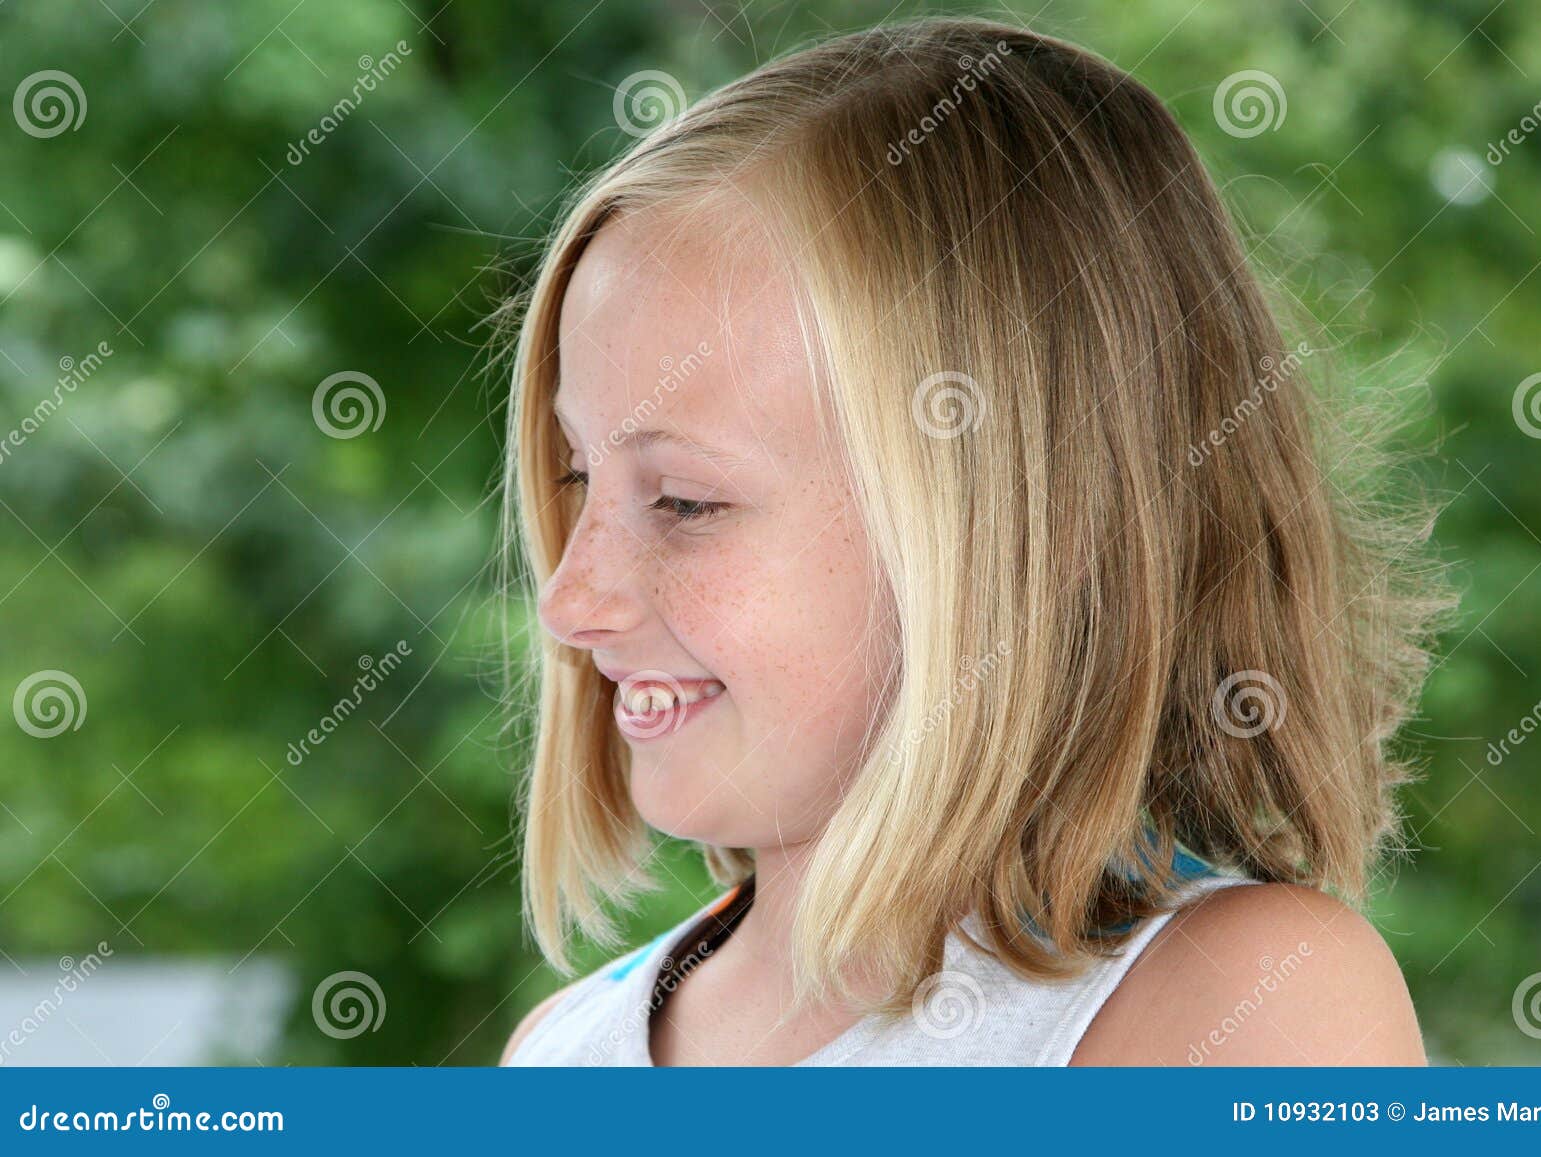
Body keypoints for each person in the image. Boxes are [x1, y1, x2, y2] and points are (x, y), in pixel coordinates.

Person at [496, 16, 1449, 1066]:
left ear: (1021, 538)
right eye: (578, 475)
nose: (571, 599)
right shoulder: (558, 1047)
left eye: (683, 501)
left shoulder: (1248, 997)